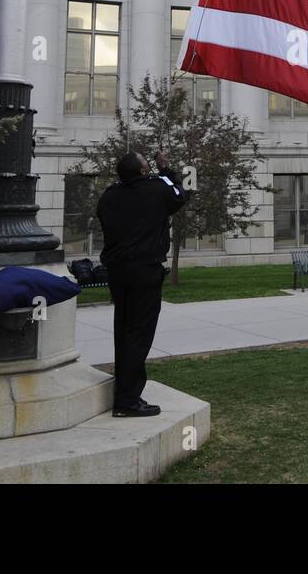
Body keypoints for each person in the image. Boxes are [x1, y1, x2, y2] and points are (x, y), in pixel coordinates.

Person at [96, 150, 188, 417]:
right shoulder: (156, 189)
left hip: (117, 273)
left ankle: (124, 391)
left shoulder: (109, 196)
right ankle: (127, 401)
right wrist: (166, 169)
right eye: (147, 165)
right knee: (138, 334)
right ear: (143, 171)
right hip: (144, 271)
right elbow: (180, 194)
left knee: (123, 330)